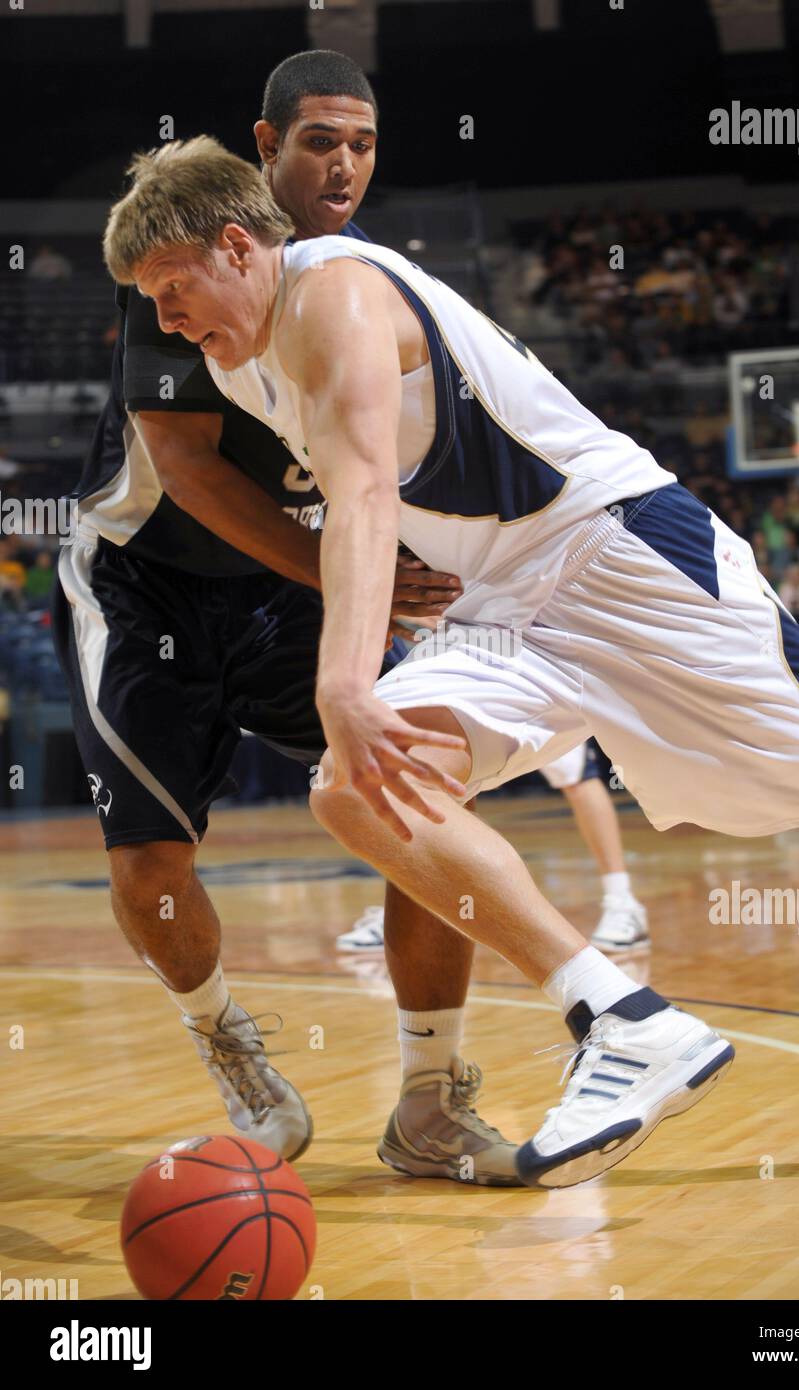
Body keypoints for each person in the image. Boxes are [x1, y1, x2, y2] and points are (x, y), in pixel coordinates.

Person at [105, 137, 799, 1192]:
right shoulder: (242, 353)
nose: (167, 322)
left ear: (237, 246)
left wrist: (342, 678)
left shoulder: (336, 297)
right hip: (506, 607)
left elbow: (359, 489)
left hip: (621, 557)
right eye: (149, 301)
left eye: (173, 290)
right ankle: (624, 1018)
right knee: (360, 784)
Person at [54, 53, 519, 1186]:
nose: (344, 164)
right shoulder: (191, 260)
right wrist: (334, 567)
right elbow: (195, 472)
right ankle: (241, 1068)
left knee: (416, 798)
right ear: (266, 150)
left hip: (288, 585)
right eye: (319, 141)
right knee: (150, 860)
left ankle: (428, 1099)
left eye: (361, 143)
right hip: (145, 580)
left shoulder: (358, 278)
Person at [340, 737, 649, 952]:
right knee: (424, 778)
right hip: (449, 661)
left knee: (576, 775)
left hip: (528, 658)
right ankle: (405, 912)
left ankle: (622, 901)